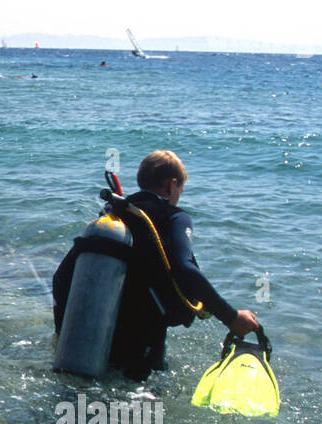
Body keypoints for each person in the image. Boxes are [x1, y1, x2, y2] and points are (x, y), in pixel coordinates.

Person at [53, 150, 257, 380]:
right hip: (142, 348)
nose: (179, 195)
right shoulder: (174, 218)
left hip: (93, 341)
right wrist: (231, 317)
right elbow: (185, 269)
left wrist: (63, 334)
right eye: (180, 189)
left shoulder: (115, 216)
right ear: (172, 185)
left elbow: (60, 278)